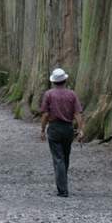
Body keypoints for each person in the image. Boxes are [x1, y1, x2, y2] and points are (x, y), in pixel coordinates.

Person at [39, 67, 83, 197]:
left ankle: (62, 190)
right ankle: (63, 184)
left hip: (54, 128)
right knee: (65, 157)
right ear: (65, 80)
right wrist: (80, 130)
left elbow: (45, 114)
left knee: (58, 159)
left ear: (53, 81)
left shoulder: (49, 94)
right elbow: (78, 113)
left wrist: (42, 129)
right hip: (68, 128)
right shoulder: (72, 94)